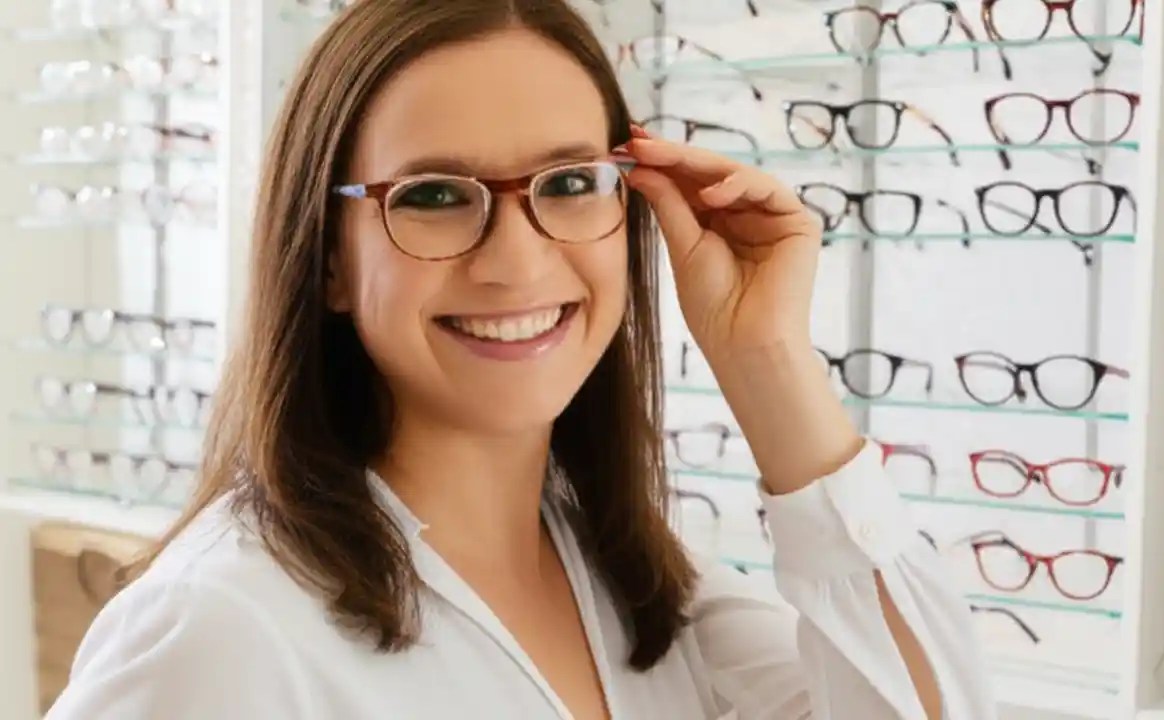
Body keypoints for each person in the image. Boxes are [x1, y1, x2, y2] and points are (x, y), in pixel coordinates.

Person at [47, 1, 994, 718]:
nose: (516, 261)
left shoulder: (641, 590)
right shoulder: (221, 634)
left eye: (572, 182)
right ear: (329, 259)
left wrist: (769, 358)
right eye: (431, 196)